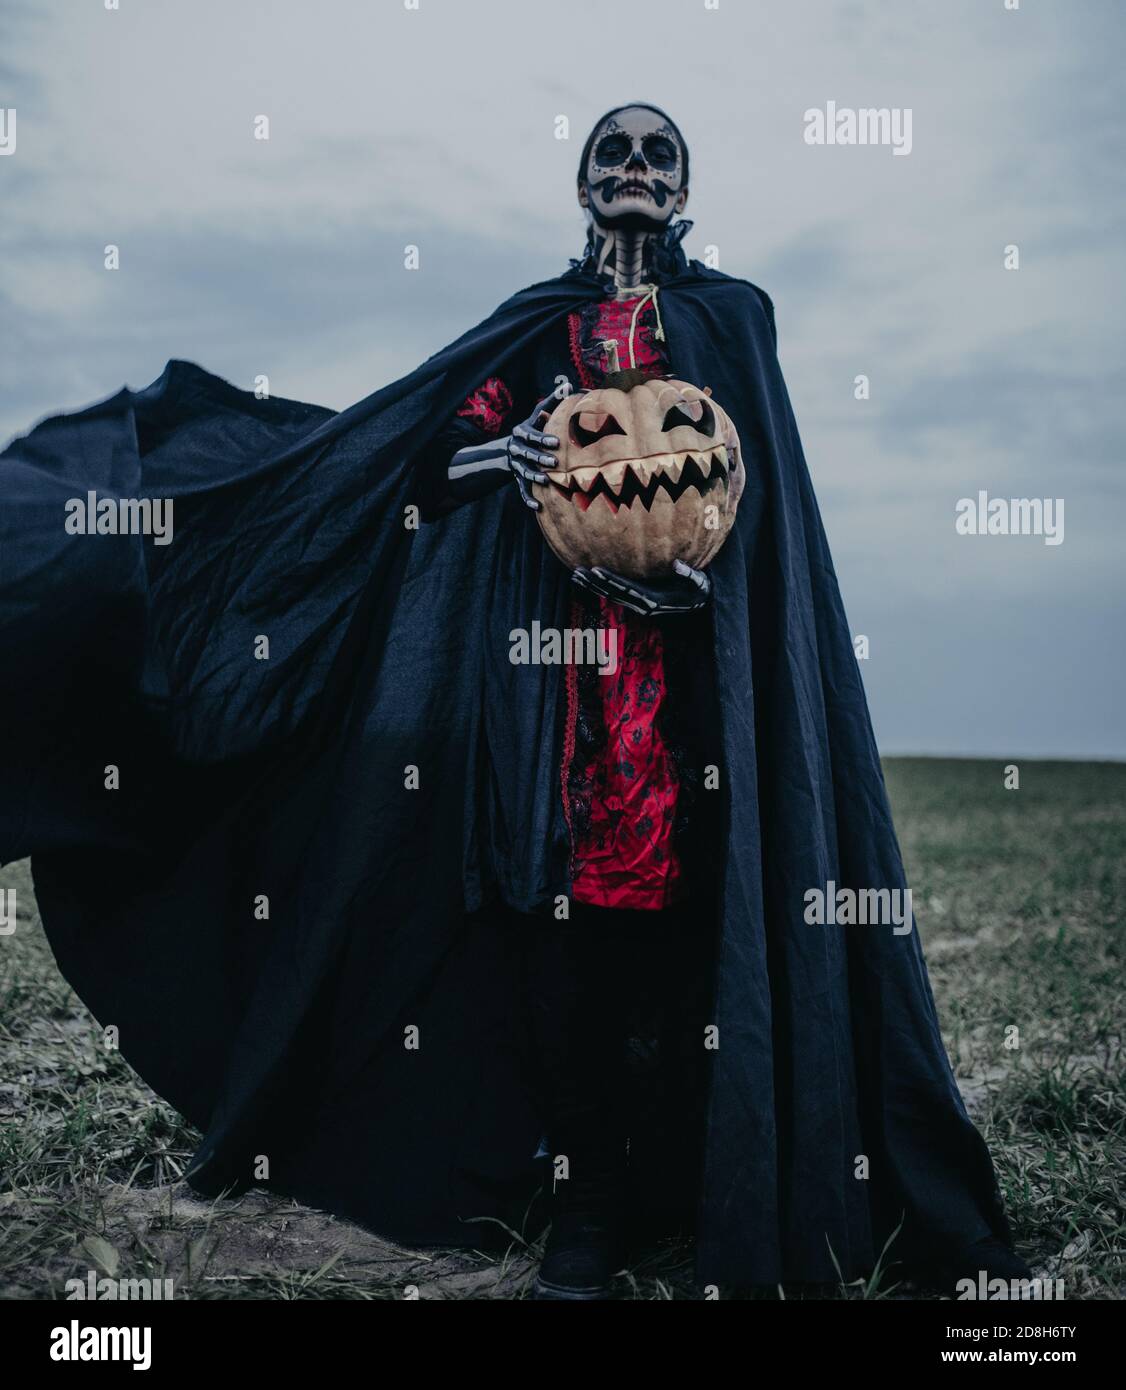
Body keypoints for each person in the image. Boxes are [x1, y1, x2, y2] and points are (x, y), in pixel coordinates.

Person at [0, 102, 1031, 1301]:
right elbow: (420, 469)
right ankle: (589, 1212)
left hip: (696, 695)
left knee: (699, 936)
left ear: (683, 186)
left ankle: (706, 1183)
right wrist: (512, 455)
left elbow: (759, 512)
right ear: (582, 184)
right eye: (611, 154)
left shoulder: (730, 319)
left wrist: (694, 599)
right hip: (552, 697)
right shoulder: (534, 331)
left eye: (656, 155)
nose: (632, 169)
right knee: (567, 941)